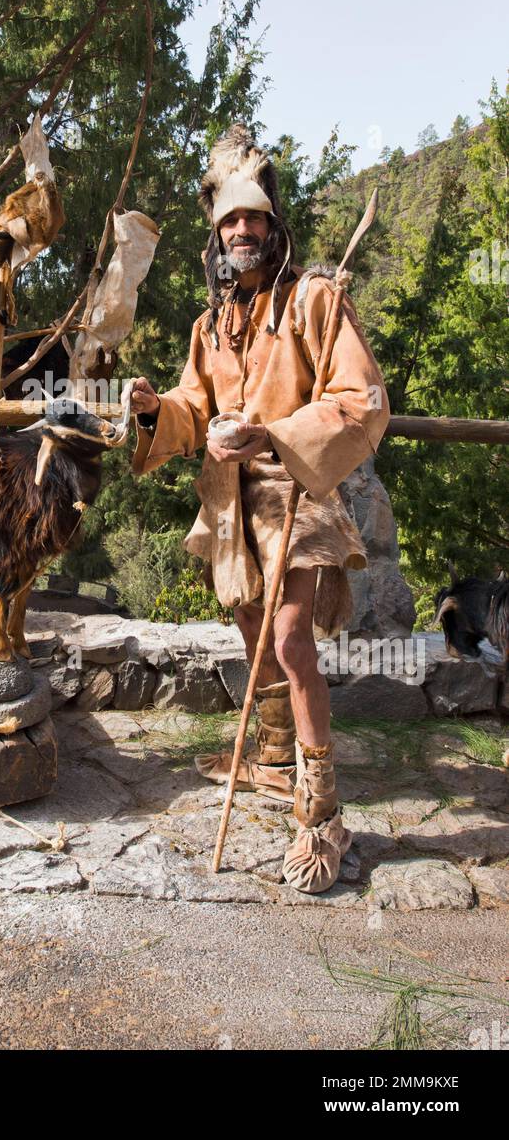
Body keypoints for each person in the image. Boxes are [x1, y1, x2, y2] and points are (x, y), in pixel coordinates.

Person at [130, 125, 389, 893]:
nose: (243, 232)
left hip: (299, 494)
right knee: (252, 631)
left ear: (274, 227)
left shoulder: (315, 300)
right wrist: (153, 409)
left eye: (255, 220)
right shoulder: (209, 325)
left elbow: (361, 401)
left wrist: (271, 432)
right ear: (217, 237)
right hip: (229, 505)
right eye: (229, 223)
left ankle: (321, 812)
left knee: (289, 641)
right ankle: (273, 756)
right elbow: (192, 407)